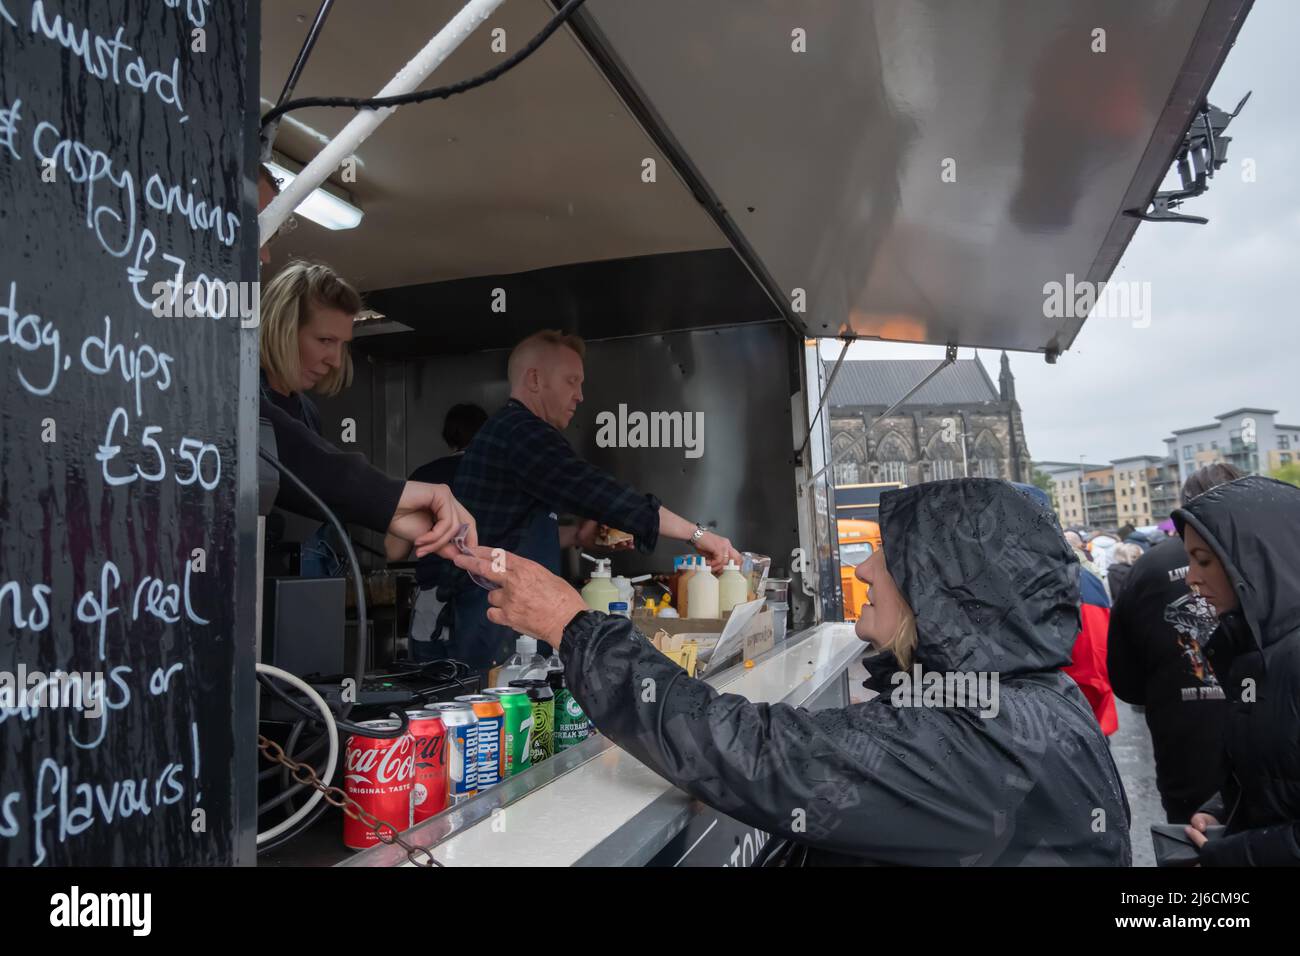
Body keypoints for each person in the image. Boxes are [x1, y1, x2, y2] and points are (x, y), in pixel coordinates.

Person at [452, 478, 1131, 865]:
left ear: (950, 593)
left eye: (888, 557)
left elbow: (756, 752)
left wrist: (575, 626)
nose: (863, 569)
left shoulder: (985, 736)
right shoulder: (1016, 696)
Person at [437, 330, 744, 671]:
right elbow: (602, 494)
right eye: (571, 381)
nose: (580, 396)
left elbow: (510, 528)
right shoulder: (522, 434)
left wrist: (578, 537)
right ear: (535, 380)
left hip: (504, 614)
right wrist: (697, 534)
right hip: (497, 622)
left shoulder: (509, 433)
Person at [1178, 475, 1300, 865]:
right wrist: (1222, 807)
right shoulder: (1251, 649)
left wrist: (1233, 854)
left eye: (1205, 561)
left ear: (1259, 558)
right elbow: (1274, 772)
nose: (1191, 577)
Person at [1107, 464, 1237, 824]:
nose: (1197, 576)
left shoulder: (1148, 568)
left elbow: (1127, 682)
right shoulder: (1276, 560)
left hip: (1188, 759)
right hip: (1256, 766)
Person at [404, 404, 488, 661]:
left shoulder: (425, 476)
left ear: (449, 435)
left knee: (431, 683)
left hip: (434, 597)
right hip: (484, 599)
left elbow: (393, 549)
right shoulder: (495, 475)